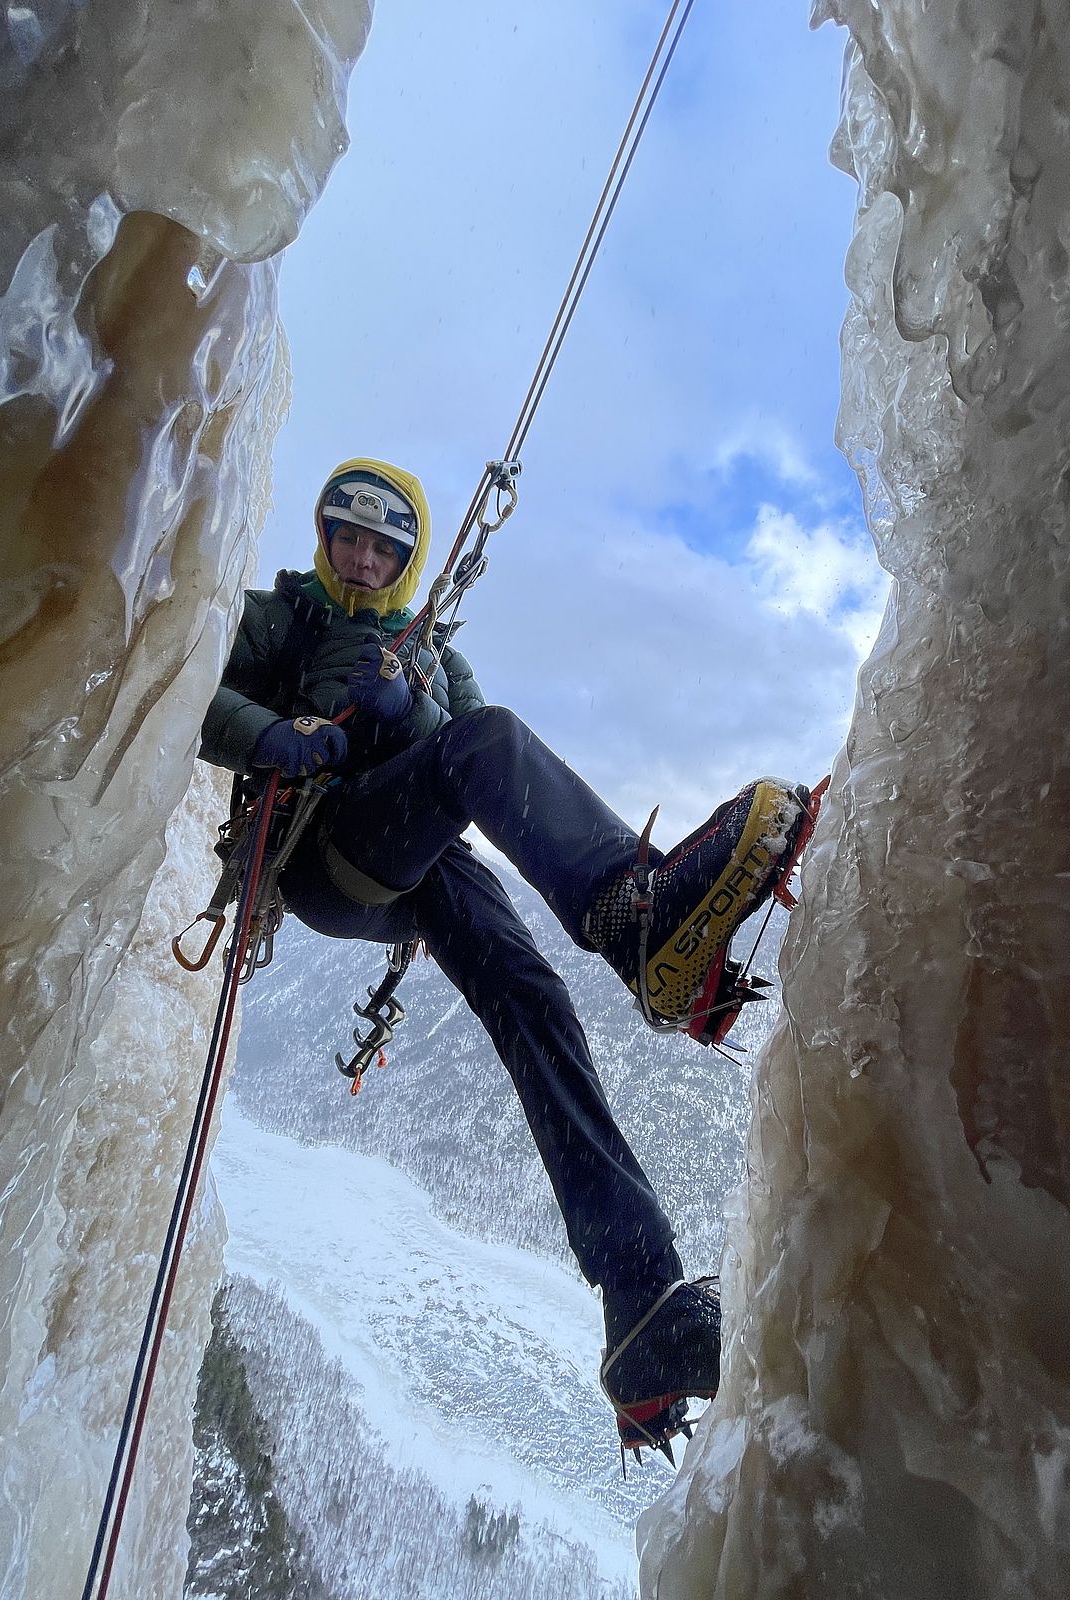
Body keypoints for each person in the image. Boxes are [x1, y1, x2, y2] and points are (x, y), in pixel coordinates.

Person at [200, 457, 813, 1458]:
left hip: (417, 856)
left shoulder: (430, 645)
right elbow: (196, 688)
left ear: (408, 556)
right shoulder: (287, 620)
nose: (361, 557)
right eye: (346, 536)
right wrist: (279, 733)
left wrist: (412, 708)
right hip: (331, 849)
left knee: (533, 999)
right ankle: (639, 921)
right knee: (485, 747)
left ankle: (641, 1304)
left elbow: (460, 748)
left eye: (382, 545)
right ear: (323, 540)